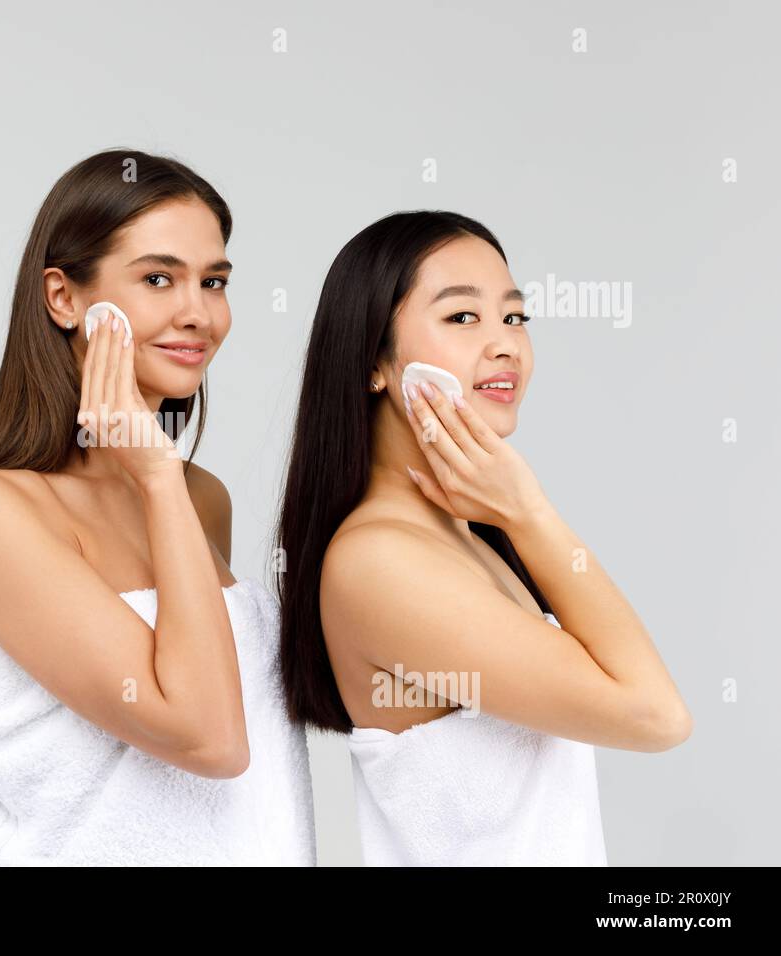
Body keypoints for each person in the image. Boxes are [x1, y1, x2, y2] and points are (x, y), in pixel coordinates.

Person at [0, 149, 315, 865]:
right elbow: (210, 738)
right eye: (158, 278)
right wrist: (159, 476)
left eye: (214, 281)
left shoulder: (201, 500)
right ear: (63, 298)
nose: (197, 314)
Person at [276, 210, 691, 865]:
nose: (506, 345)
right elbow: (655, 715)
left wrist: (519, 519)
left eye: (515, 316)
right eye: (463, 316)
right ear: (373, 361)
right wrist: (530, 514)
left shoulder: (469, 542)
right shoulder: (380, 562)